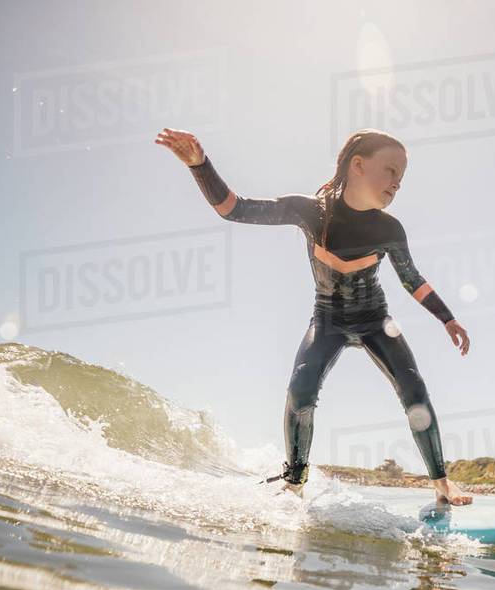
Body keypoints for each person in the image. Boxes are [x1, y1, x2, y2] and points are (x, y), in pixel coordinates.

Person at [155, 127, 473, 506]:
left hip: (375, 319)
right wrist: (200, 165)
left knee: (414, 391)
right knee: (300, 390)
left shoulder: (389, 229)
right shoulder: (309, 211)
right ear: (357, 165)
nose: (397, 184)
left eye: (401, 178)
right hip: (328, 319)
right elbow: (234, 209)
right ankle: (295, 481)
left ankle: (441, 483)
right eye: (390, 171)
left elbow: (412, 279)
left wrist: (447, 318)